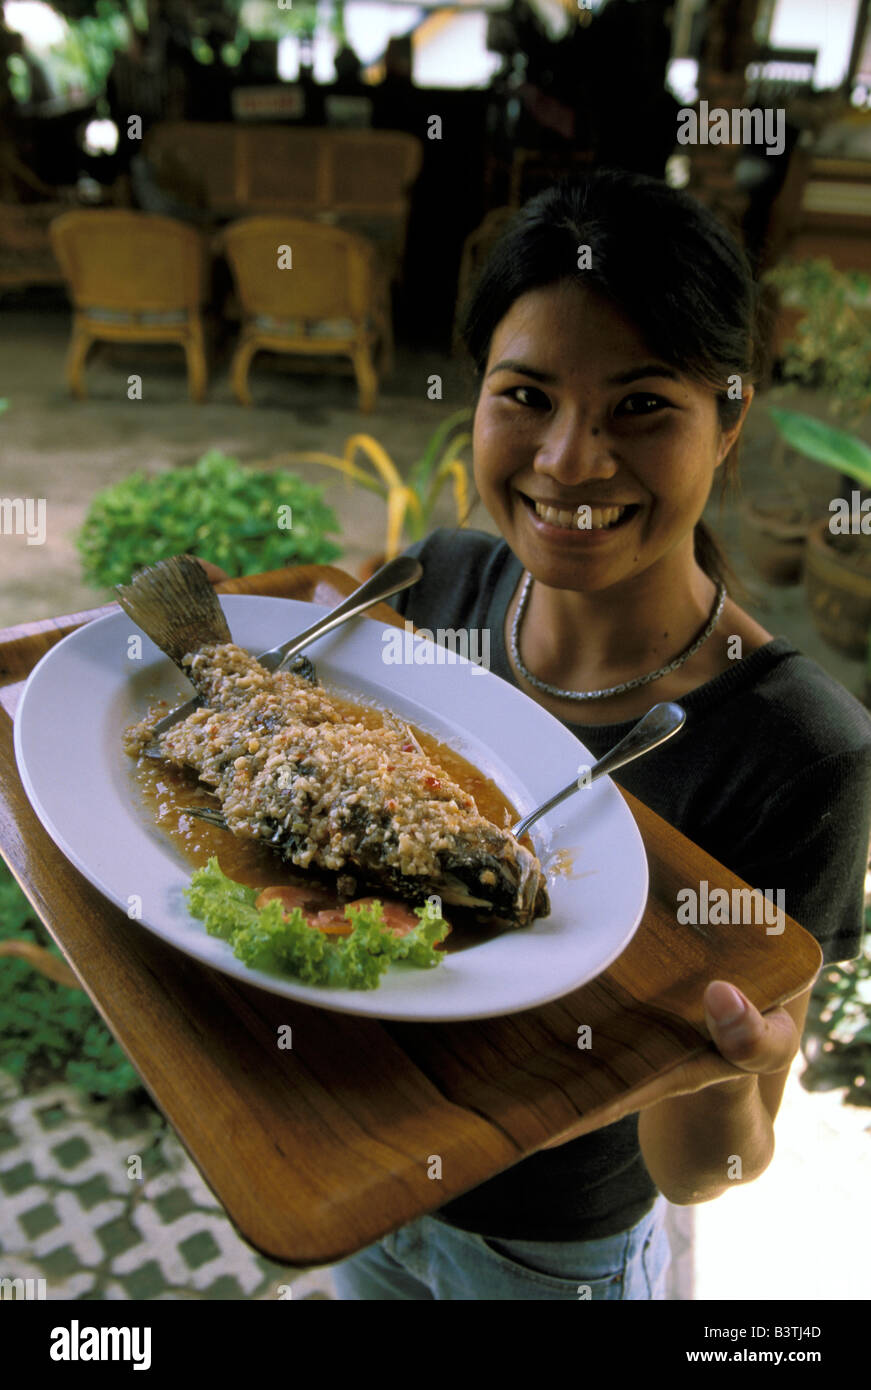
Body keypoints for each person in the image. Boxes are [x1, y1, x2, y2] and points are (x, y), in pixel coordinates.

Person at [323, 170, 871, 1299]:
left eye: (640, 406)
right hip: (365, 1186)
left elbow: (706, 1168)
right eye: (525, 395)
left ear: (728, 423)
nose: (570, 460)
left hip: (545, 1253)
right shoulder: (445, 588)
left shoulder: (797, 750)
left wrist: (723, 1074)